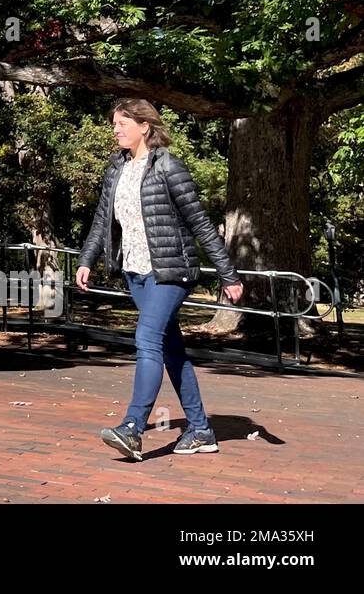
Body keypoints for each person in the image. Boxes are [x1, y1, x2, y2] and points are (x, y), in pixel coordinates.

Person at [76, 98, 244, 461]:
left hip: (171, 270)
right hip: (135, 272)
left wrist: (228, 274)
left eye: (122, 123)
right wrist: (86, 259)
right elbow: (103, 220)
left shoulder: (169, 167)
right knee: (172, 351)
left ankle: (132, 429)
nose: (116, 129)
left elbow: (200, 223)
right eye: (115, 124)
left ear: (144, 126)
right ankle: (200, 430)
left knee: (147, 338)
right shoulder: (116, 169)